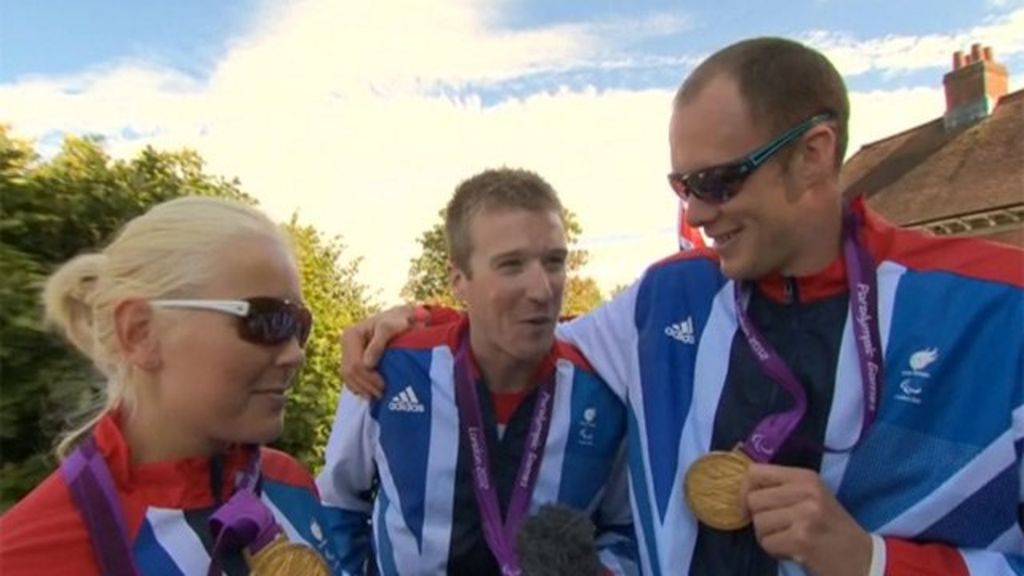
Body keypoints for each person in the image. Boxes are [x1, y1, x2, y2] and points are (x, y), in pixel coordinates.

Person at [340, 38, 1024, 576]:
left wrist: (872, 562)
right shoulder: (670, 299)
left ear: (814, 156)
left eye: (718, 181)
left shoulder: (999, 310)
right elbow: (524, 335)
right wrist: (410, 322)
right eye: (682, 186)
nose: (697, 212)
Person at [316, 168, 638, 575]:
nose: (542, 290)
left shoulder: (603, 390)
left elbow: (625, 529)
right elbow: (337, 501)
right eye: (511, 265)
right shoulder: (389, 366)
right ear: (458, 280)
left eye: (555, 262)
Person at [0, 196, 342, 575]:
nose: (295, 353)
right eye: (269, 321)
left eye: (298, 325)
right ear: (140, 333)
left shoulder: (288, 483)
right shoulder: (30, 557)